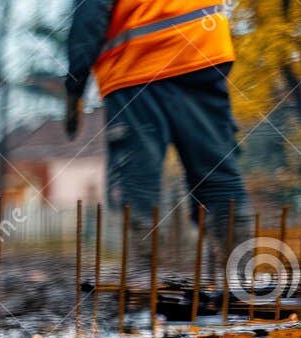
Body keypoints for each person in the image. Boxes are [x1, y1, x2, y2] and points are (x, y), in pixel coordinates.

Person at [65, 0, 248, 266]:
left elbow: (90, 12)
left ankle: (139, 289)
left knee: (137, 181)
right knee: (217, 172)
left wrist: (74, 85)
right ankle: (240, 276)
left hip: (137, 63)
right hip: (203, 49)